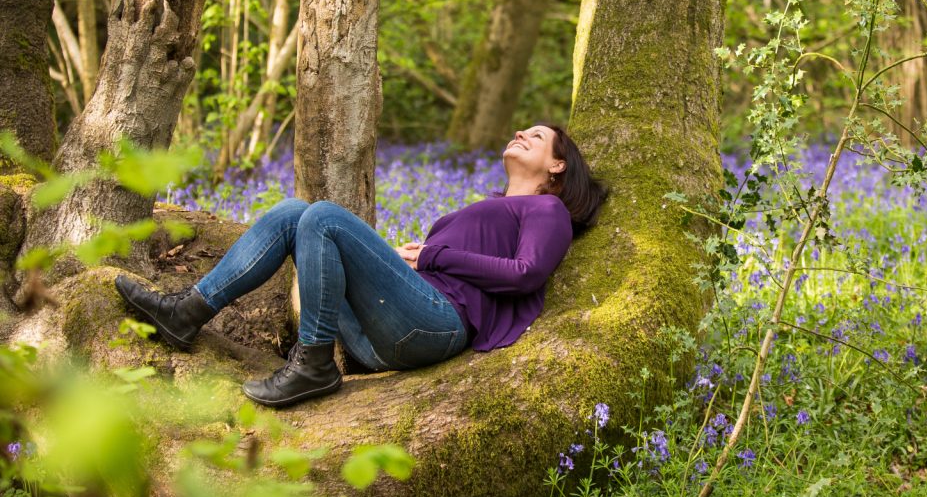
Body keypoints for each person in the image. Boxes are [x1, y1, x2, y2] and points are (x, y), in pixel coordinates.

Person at [115, 124, 607, 408]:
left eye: (537, 136)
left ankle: (312, 363)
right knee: (294, 213)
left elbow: (526, 272)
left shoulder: (548, 211)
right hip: (393, 330)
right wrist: (402, 262)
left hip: (439, 325)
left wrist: (434, 254)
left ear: (557, 166)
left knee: (324, 217)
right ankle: (187, 312)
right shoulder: (493, 205)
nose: (521, 132)